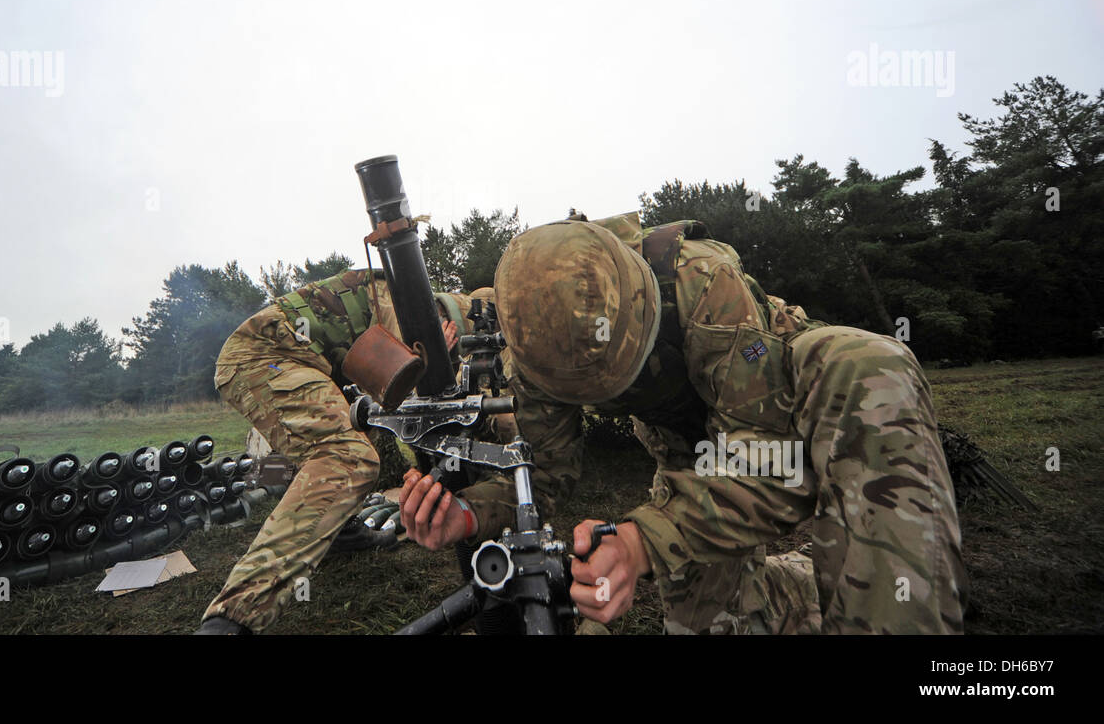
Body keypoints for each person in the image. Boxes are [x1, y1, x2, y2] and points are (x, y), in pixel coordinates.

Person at [400, 212, 968, 634]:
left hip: (789, 415)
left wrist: (642, 539)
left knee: (865, 365)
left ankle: (890, 596)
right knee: (719, 625)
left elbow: (772, 462)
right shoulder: (537, 352)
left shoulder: (703, 284)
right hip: (691, 456)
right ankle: (805, 582)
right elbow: (543, 477)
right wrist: (468, 512)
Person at [196, 269, 469, 634]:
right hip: (264, 358)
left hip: (291, 361)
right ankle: (233, 616)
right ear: (444, 316)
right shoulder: (397, 297)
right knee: (348, 456)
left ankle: (342, 531)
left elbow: (381, 397)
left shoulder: (394, 292)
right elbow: (409, 394)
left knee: (351, 426)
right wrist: (434, 356)